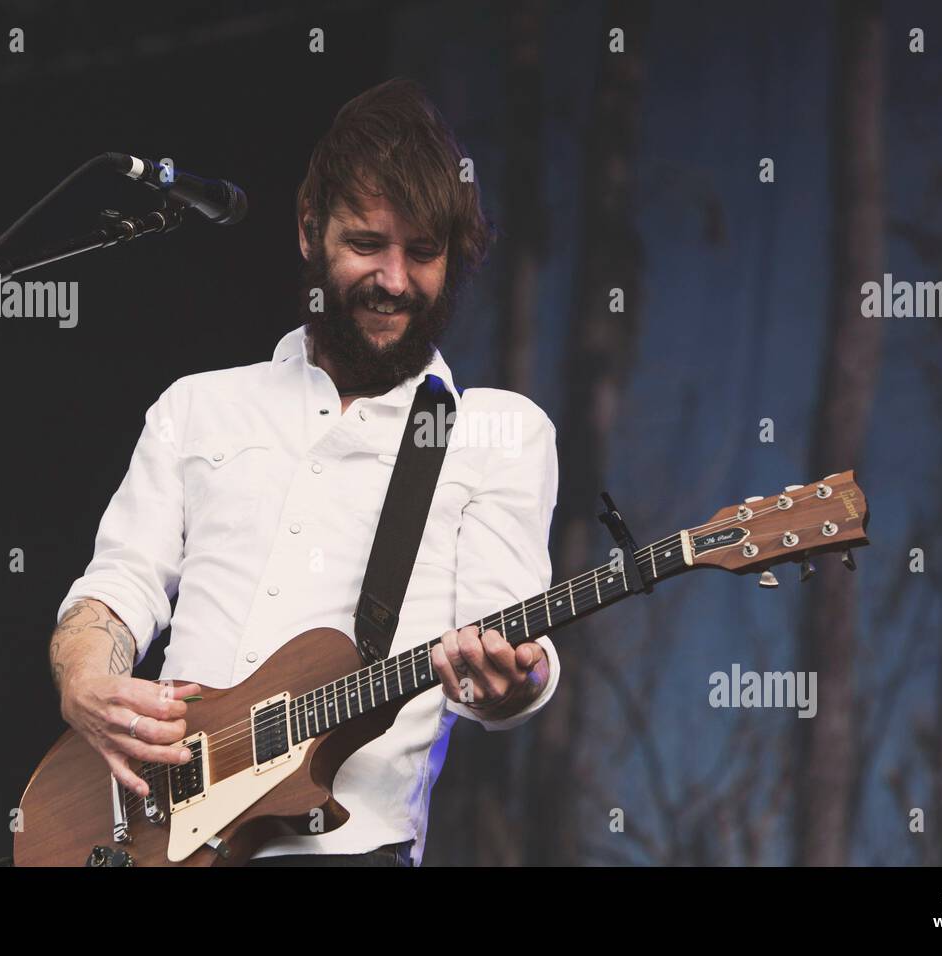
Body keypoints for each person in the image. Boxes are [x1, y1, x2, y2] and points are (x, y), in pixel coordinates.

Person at [48, 78, 560, 866]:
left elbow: (502, 641)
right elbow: (118, 587)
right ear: (308, 230)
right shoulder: (198, 406)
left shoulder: (499, 432)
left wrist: (513, 681)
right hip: (151, 836)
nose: (394, 279)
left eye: (422, 252)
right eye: (365, 245)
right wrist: (86, 680)